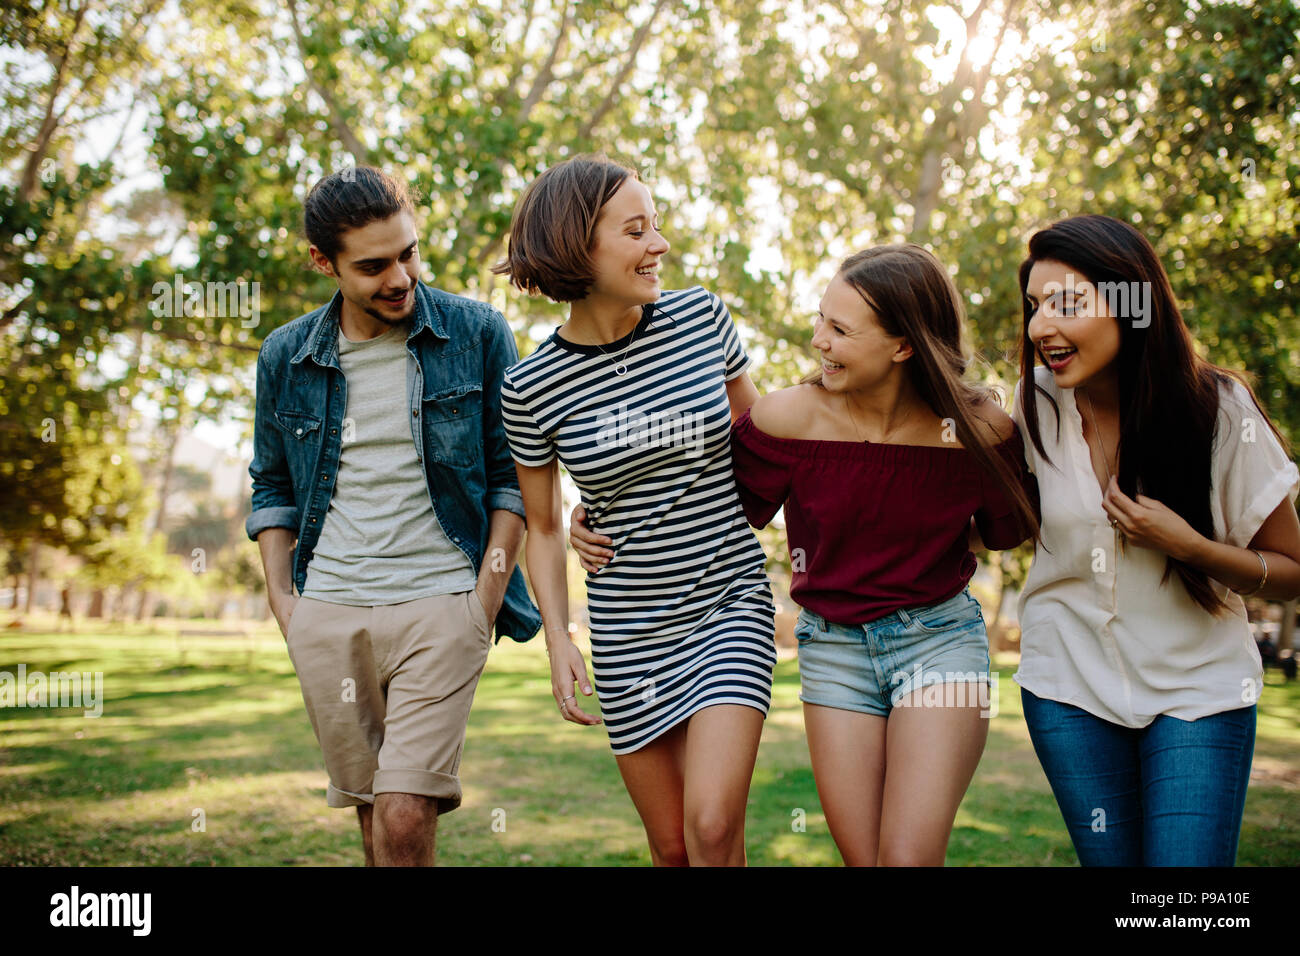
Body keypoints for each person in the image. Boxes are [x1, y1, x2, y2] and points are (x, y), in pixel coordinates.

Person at [578, 244, 1040, 866]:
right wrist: (599, 512)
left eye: (840, 329)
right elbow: (700, 500)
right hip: (835, 649)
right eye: (821, 318)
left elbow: (1008, 529)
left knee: (906, 860)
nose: (818, 339)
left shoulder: (979, 430)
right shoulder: (787, 419)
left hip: (938, 642)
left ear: (903, 346)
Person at [245, 165, 541, 866]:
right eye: (373, 266)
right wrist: (285, 600)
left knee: (406, 815)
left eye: (408, 253)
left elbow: (512, 478)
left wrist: (483, 600)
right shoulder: (286, 355)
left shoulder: (476, 334)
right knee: (375, 821)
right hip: (329, 611)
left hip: (442, 604)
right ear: (324, 263)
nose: (400, 277)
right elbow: (272, 485)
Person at [494, 155, 777, 866]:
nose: (660, 246)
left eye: (657, 227)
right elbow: (547, 525)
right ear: (576, 248)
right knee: (674, 847)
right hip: (628, 632)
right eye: (637, 230)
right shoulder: (530, 386)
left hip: (727, 602)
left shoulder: (701, 317)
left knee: (713, 826)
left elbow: (768, 444)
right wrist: (559, 637)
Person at [1013, 214, 1300, 866]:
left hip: (1197, 690)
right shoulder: (1034, 404)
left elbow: (1292, 570)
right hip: (1068, 686)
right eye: (1034, 307)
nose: (1041, 328)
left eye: (1065, 305)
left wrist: (1190, 546)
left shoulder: (1219, 411)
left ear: (1130, 302)